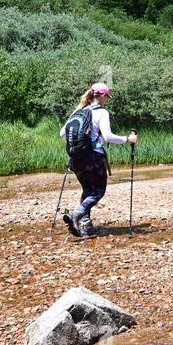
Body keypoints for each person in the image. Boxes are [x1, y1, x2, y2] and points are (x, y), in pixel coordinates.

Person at [60, 82, 137, 238]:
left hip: (76, 159)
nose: (106, 100)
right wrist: (127, 139)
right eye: (106, 97)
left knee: (87, 190)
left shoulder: (80, 110)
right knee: (98, 191)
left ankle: (86, 227)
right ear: (101, 96)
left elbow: (62, 133)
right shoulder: (102, 112)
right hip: (93, 157)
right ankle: (77, 214)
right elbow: (108, 136)